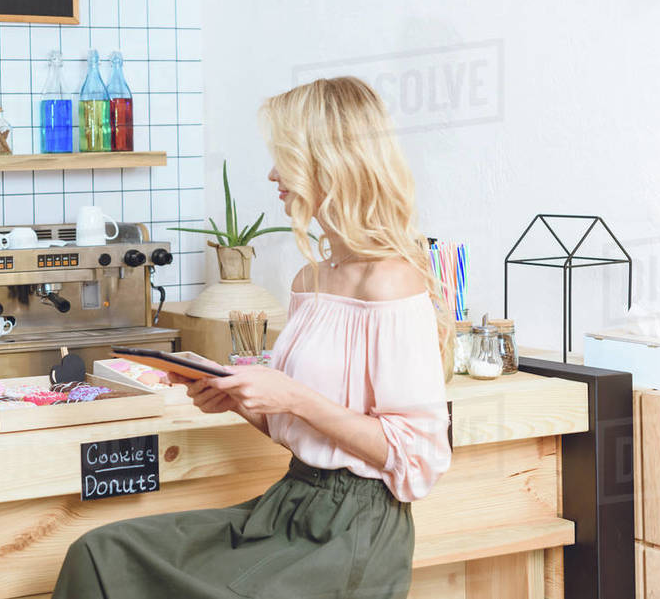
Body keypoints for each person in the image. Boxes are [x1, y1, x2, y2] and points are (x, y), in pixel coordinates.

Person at [52, 77, 452, 599]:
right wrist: (237, 398)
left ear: (328, 162)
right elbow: (302, 428)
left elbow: (418, 456)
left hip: (354, 531)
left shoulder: (391, 280)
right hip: (289, 504)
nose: (272, 174)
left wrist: (291, 395)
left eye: (284, 157)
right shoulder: (311, 281)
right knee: (100, 554)